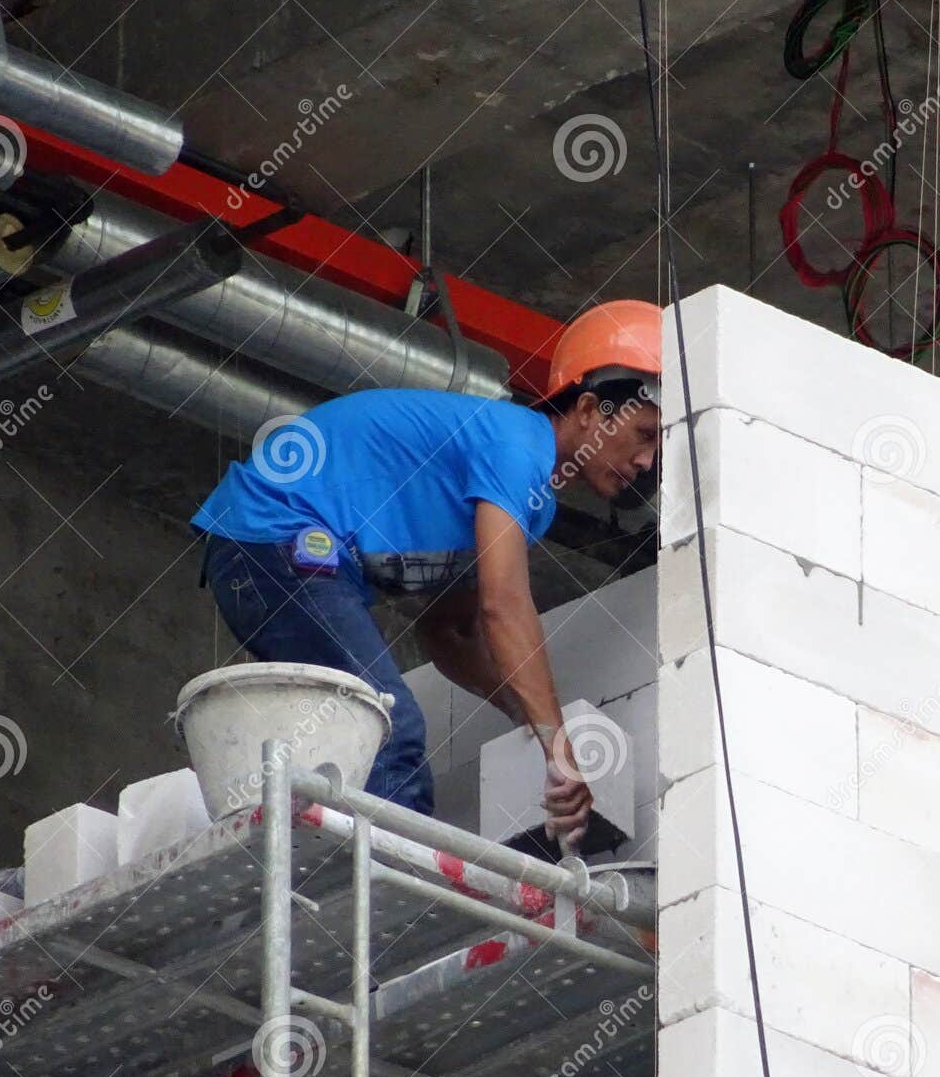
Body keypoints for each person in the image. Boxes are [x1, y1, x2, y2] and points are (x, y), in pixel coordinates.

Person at [189, 299, 662, 853]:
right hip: (272, 540)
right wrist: (557, 745)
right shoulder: (516, 447)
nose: (648, 463)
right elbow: (503, 608)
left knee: (363, 730)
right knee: (388, 729)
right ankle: (381, 911)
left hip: (271, 560)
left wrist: (529, 724)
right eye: (646, 434)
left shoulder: (532, 504)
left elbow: (450, 632)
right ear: (589, 409)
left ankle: (336, 882)